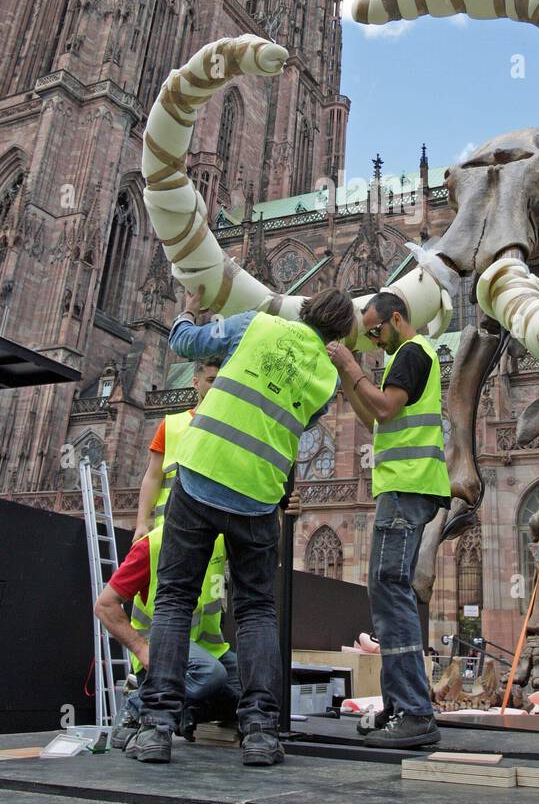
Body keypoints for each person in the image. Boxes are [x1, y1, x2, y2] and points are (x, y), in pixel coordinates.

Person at [130, 285, 355, 767]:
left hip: (202, 474)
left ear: (306, 309)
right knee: (255, 611)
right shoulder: (327, 377)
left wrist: (188, 309)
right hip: (258, 496)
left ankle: (156, 728)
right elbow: (301, 422)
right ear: (339, 333)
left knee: (173, 599)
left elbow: (187, 345)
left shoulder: (257, 323)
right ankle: (259, 732)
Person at [327, 290, 450, 748]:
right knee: (385, 588)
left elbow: (383, 407)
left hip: (409, 486)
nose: (374, 340)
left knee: (391, 589)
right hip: (403, 487)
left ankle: (416, 712)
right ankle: (401, 706)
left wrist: (350, 364)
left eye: (376, 330)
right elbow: (372, 416)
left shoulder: (411, 353)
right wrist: (348, 378)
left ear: (397, 319)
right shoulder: (405, 355)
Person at [94, 527, 239, 749]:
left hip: (207, 650)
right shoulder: (151, 546)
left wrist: (283, 512)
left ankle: (184, 715)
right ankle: (134, 709)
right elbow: (105, 605)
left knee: (254, 691)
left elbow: (261, 544)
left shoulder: (219, 539)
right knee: (209, 674)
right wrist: (142, 649)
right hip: (162, 652)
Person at [133, 356, 223, 541]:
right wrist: (141, 522)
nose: (216, 387)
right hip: (169, 528)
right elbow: (153, 475)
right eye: (211, 380)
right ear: (196, 383)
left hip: (216, 531)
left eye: (221, 382)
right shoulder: (172, 423)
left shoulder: (232, 426)